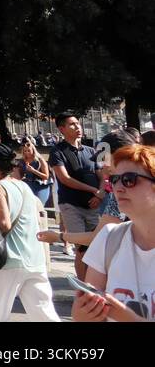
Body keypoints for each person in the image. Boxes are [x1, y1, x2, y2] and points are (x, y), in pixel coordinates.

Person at [72, 144, 155, 322]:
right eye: (115, 179)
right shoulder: (110, 237)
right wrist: (83, 315)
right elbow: (88, 313)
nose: (118, 188)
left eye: (129, 179)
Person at [0, 143, 60, 321]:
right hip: (34, 259)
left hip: (10, 260)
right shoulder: (24, 187)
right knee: (44, 313)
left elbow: (4, 224)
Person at [49, 112, 103, 279]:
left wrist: (100, 194)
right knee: (81, 246)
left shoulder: (91, 150)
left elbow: (103, 174)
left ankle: (95, 283)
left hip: (93, 205)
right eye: (72, 124)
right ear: (61, 129)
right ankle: (83, 287)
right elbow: (65, 179)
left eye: (78, 123)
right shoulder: (57, 151)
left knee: (96, 245)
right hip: (71, 205)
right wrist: (92, 190)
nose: (77, 127)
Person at [15, 138, 51, 207]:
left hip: (40, 185)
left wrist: (33, 170)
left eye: (29, 150)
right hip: (28, 185)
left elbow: (46, 176)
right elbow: (20, 175)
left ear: (33, 150)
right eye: (25, 151)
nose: (27, 152)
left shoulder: (40, 160)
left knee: (38, 206)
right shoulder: (22, 161)